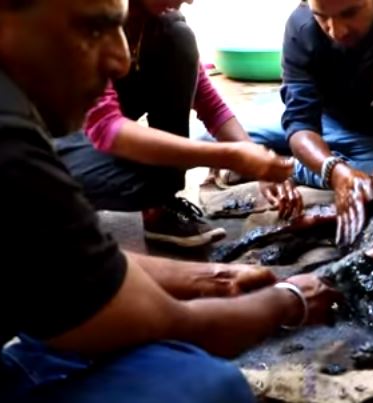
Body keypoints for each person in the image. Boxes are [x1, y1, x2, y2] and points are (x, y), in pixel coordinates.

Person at [0, 1, 339, 402]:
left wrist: (215, 278)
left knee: (74, 330)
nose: (120, 61)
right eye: (92, 29)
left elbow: (64, 265)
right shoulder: (12, 149)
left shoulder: (164, 31)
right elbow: (175, 323)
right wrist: (290, 301)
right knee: (209, 386)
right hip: (82, 160)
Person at [53, 0, 299, 248]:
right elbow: (107, 128)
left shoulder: (159, 24)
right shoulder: (81, 15)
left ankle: (158, 207)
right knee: (158, 170)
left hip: (95, 137)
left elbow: (207, 102)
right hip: (44, 146)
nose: (190, 1)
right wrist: (233, 157)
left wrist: (256, 158)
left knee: (177, 36)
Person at [246, 0, 373, 246]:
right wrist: (336, 171)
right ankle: (294, 163)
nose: (337, 30)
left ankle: (291, 165)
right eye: (322, 17)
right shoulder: (301, 26)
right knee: (217, 140)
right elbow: (300, 123)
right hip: (323, 121)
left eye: (350, 13)